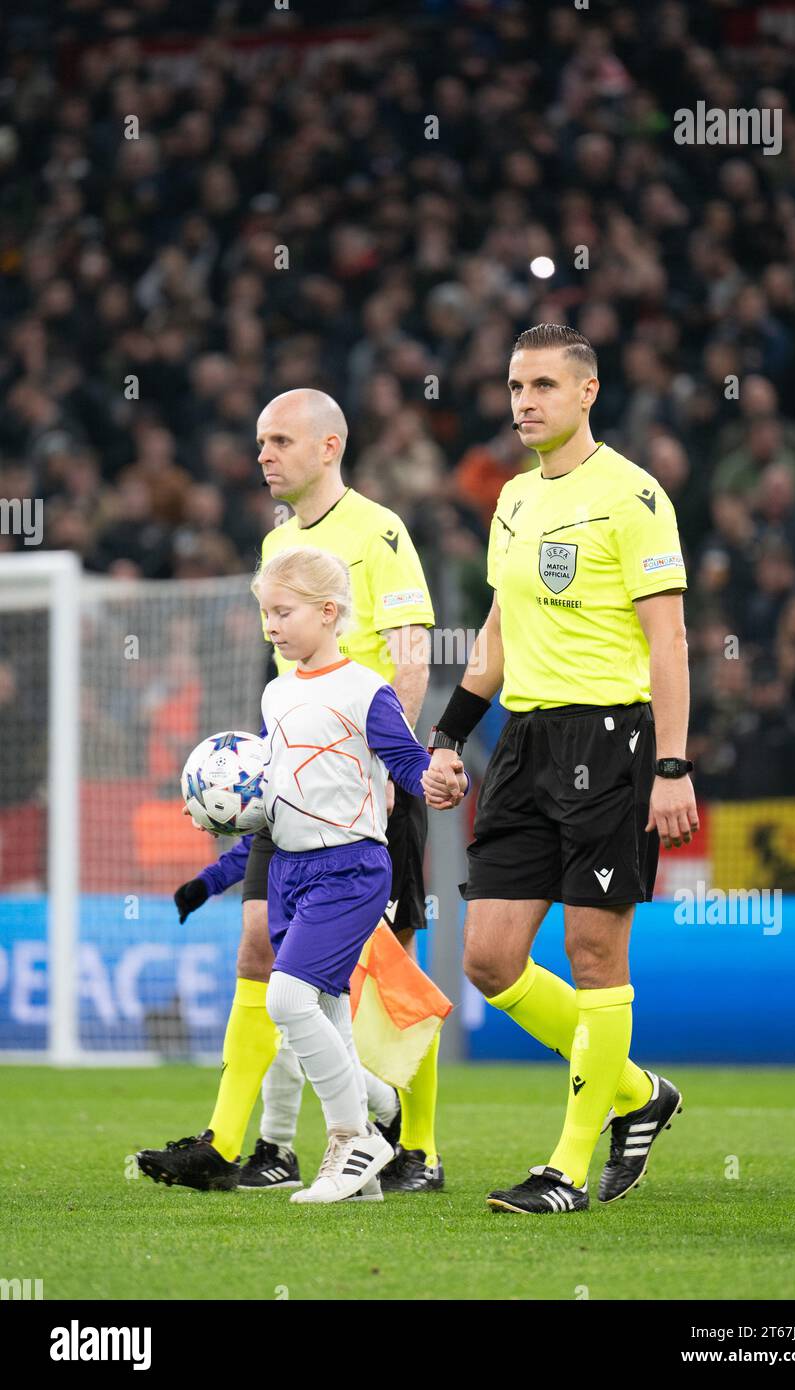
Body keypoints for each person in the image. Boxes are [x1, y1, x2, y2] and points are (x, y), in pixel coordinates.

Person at [137, 389, 445, 1194]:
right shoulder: (280, 539)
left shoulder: (380, 532)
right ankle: (259, 1145)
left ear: (329, 446)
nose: (264, 454)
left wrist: (380, 772)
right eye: (260, 440)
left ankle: (418, 1147)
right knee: (263, 951)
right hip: (293, 785)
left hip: (367, 779)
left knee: (390, 968)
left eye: (279, 440)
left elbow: (411, 656)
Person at [425, 324, 698, 1214]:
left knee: (591, 950)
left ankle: (567, 1170)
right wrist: (447, 736)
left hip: (612, 744)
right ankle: (635, 1093)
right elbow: (498, 636)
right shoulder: (509, 499)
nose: (523, 401)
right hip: (524, 745)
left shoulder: (634, 496)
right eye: (514, 386)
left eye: (543, 384)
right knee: (490, 959)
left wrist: (671, 763)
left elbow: (671, 642)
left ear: (587, 392)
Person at [254, 548, 464, 1203]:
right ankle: (373, 1138)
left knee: (286, 1001)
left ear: (328, 612)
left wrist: (435, 778)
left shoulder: (365, 688)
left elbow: (405, 760)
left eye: (284, 612)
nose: (272, 626)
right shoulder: (276, 692)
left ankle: (356, 1137)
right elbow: (281, 784)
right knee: (326, 1012)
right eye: (265, 614)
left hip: (350, 868)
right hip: (291, 870)